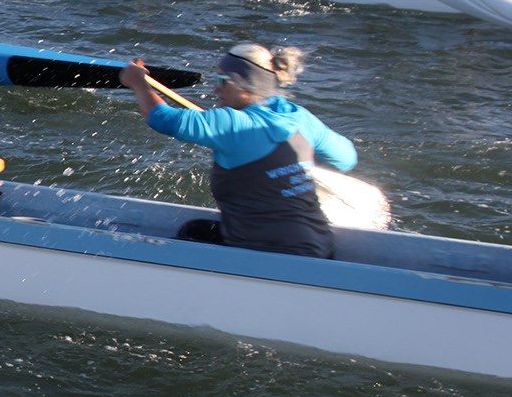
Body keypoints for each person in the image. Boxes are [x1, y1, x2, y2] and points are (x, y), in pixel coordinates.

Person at [119, 42, 358, 259]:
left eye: (222, 80)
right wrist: (289, 168)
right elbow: (346, 159)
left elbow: (162, 118)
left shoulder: (233, 124)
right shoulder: (299, 117)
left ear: (246, 85)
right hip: (321, 247)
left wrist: (138, 82)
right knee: (195, 230)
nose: (215, 88)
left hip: (273, 256)